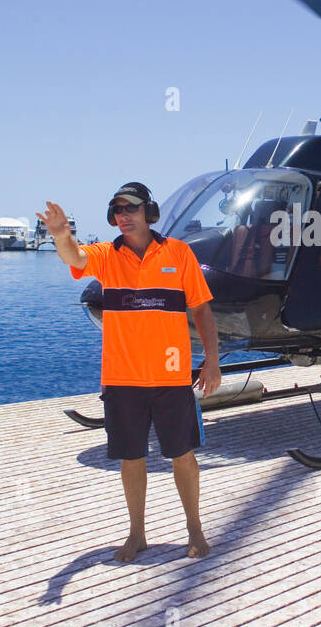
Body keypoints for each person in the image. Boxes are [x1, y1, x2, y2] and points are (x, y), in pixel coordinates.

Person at [38, 182, 222, 562]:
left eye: (131, 208)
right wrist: (61, 235)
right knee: (131, 458)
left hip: (171, 377)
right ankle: (137, 534)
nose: (124, 216)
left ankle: (194, 529)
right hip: (122, 378)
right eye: (117, 210)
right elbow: (74, 259)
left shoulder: (178, 253)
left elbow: (202, 309)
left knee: (182, 455)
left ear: (148, 213)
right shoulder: (107, 256)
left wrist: (212, 359)